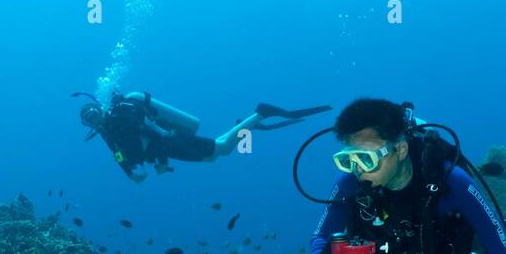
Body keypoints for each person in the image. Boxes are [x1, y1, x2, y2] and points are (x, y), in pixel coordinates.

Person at [312, 98, 506, 254]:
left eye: (366, 159)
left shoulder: (451, 181)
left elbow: (502, 248)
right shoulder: (348, 185)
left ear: (401, 150)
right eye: (348, 160)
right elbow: (321, 237)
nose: (358, 170)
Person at [76, 92, 329, 182]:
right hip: (167, 148)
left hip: (171, 142)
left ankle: (259, 113)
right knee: (216, 155)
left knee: (221, 150)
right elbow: (118, 154)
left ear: (99, 107)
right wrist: (130, 173)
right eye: (88, 119)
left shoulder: (122, 116)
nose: (93, 119)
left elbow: (153, 134)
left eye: (93, 113)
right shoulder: (107, 132)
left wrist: (162, 162)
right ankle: (249, 124)